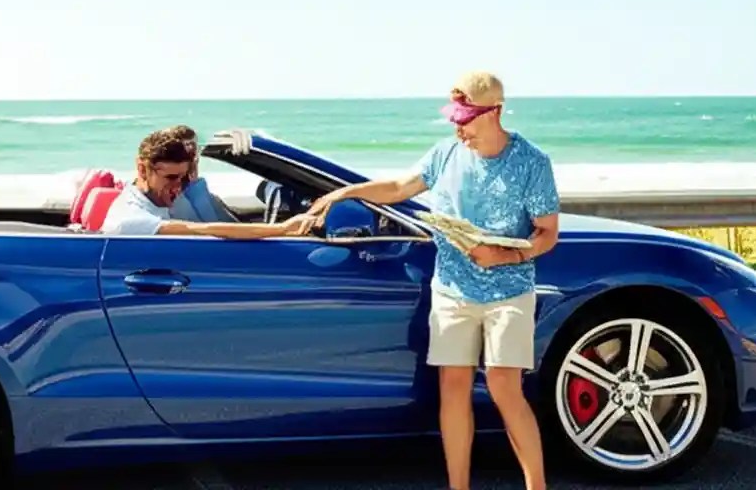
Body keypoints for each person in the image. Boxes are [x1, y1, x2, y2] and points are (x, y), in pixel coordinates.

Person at [305, 71, 560, 490]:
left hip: (509, 291)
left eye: (467, 118)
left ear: (494, 112)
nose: (458, 127)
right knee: (453, 387)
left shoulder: (532, 163)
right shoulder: (446, 153)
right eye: (455, 118)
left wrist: (508, 255)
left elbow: (548, 233)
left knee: (504, 388)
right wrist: (345, 192)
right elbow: (401, 186)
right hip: (452, 290)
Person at [102, 128, 314, 238]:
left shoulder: (166, 195)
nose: (178, 186)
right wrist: (283, 230)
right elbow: (207, 230)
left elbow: (227, 224)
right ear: (141, 169)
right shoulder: (131, 218)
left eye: (184, 176)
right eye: (171, 178)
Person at [164, 124, 239, 222]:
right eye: (188, 145)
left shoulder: (196, 185)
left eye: (195, 145)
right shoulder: (179, 197)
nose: (194, 149)